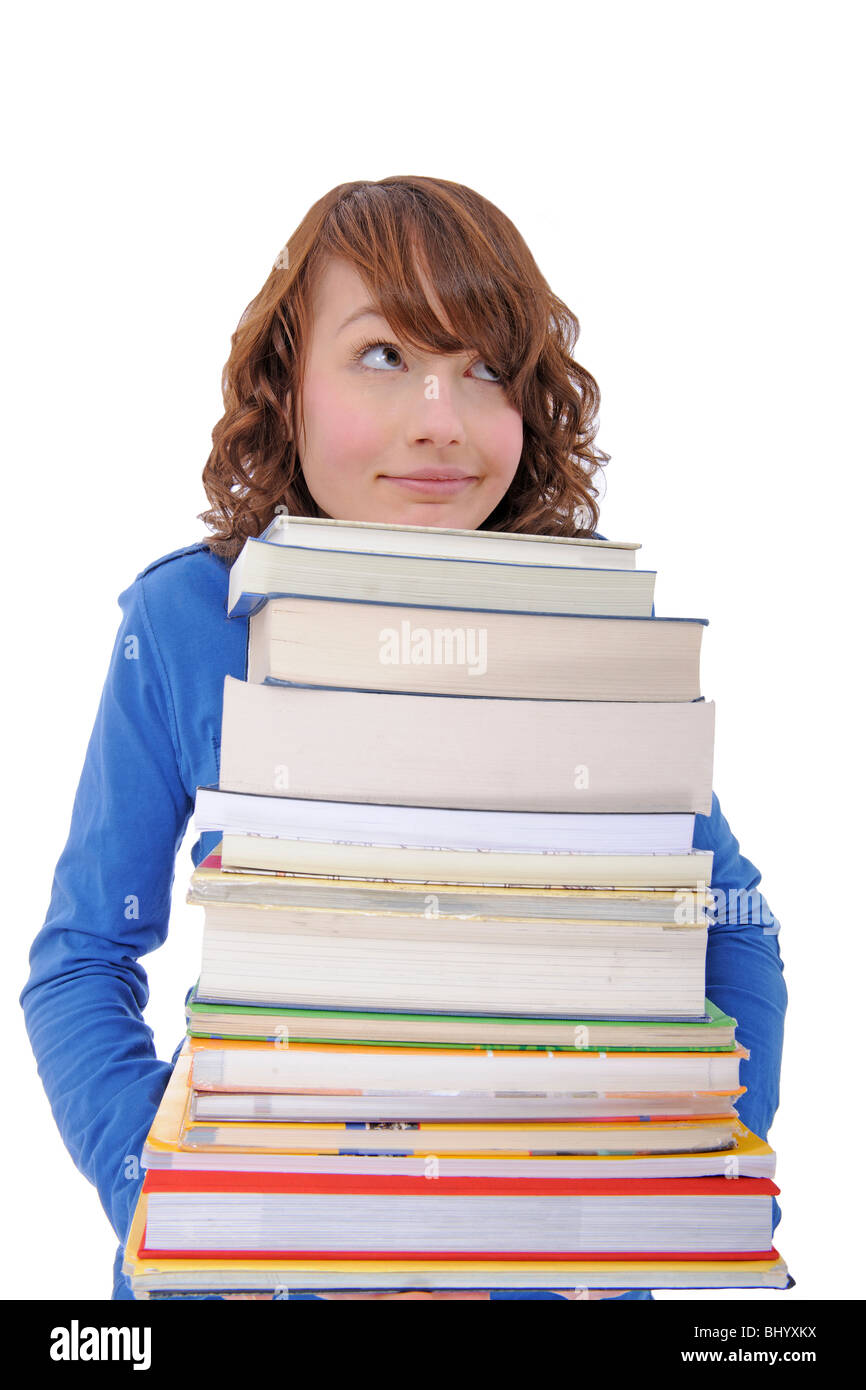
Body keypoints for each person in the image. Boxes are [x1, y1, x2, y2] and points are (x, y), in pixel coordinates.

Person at [20, 175, 786, 1301]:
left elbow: (730, 932)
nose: (440, 416)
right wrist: (172, 1203)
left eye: (485, 370)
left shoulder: (586, 643)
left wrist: (670, 1192)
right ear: (284, 386)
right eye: (382, 355)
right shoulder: (185, 624)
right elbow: (82, 961)